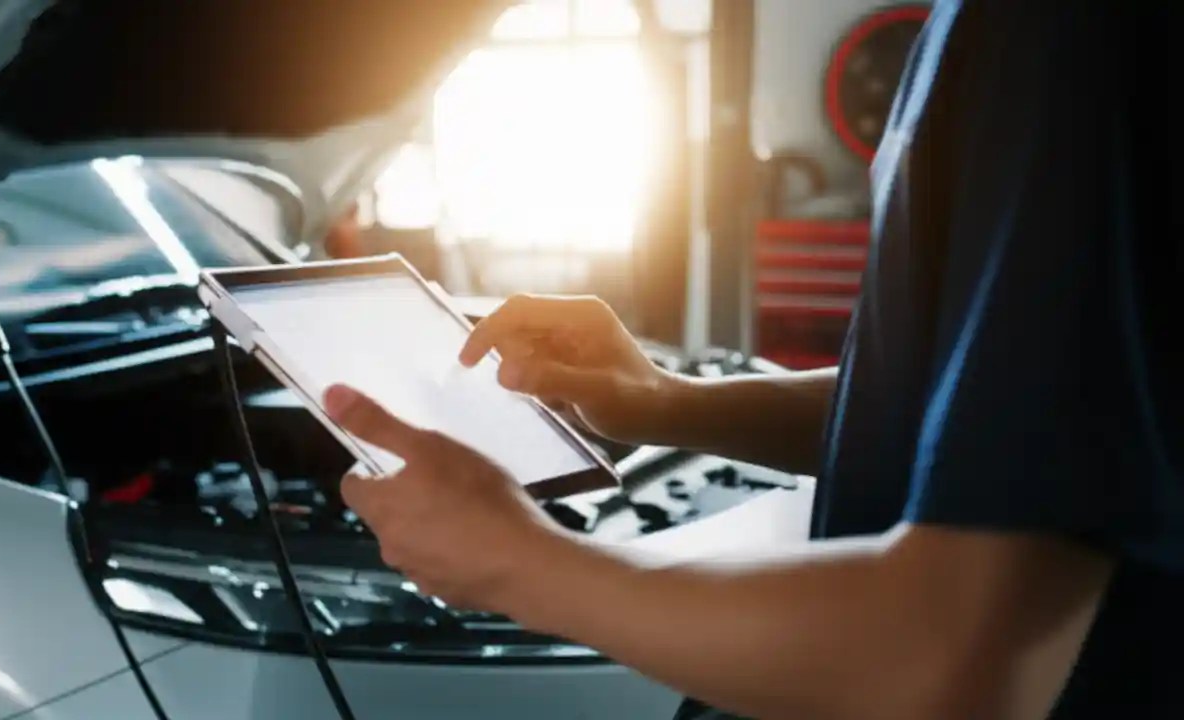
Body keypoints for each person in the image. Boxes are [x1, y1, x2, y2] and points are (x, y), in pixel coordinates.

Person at [322, 1, 1179, 718]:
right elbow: (996, 413)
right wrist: (668, 402)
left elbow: (959, 654)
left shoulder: (1051, 32)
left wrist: (520, 561)